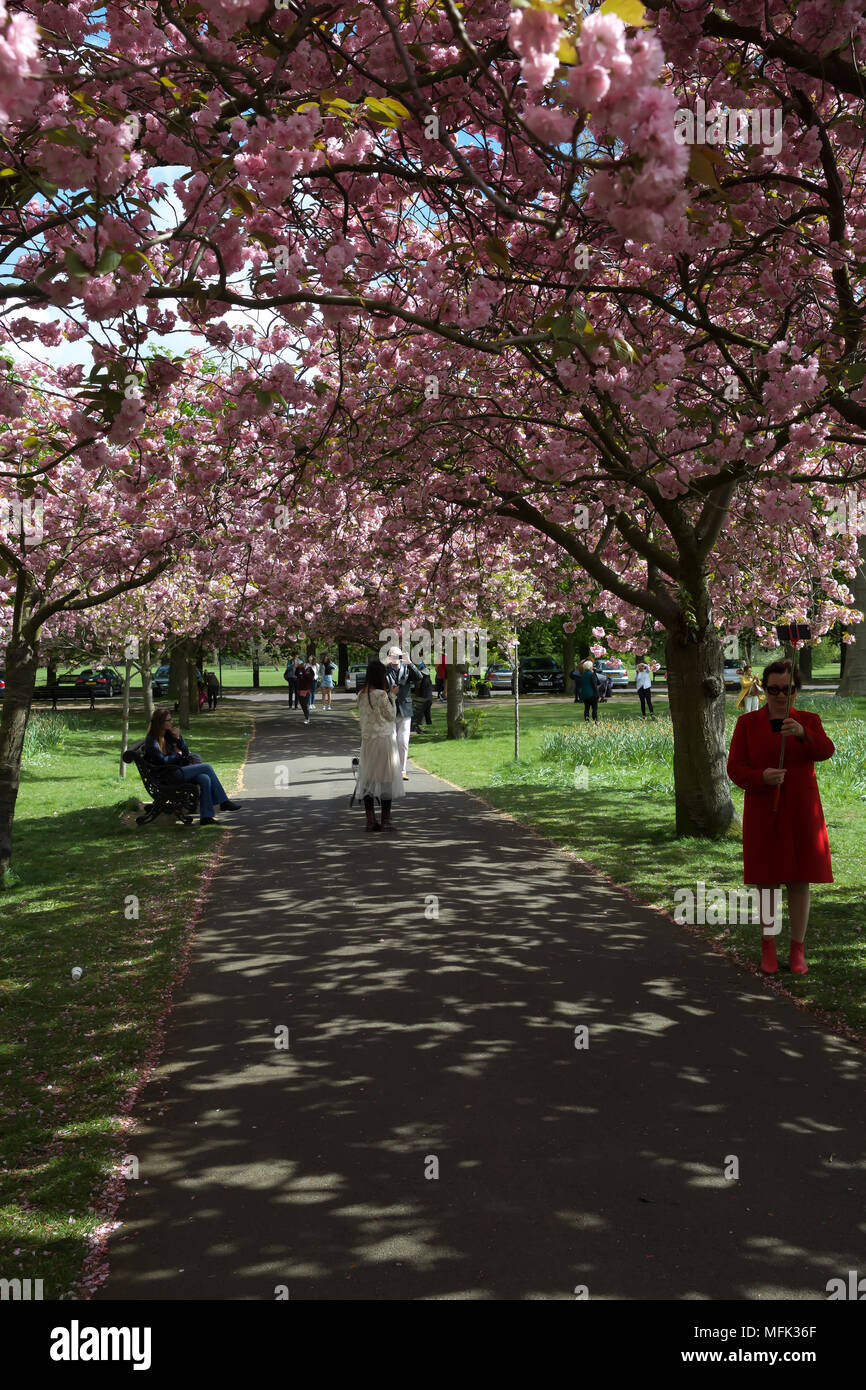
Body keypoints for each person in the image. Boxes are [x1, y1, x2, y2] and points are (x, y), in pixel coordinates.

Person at [726, 659, 834, 976]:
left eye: (785, 690)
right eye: (772, 689)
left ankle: (797, 950)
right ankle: (768, 947)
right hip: (764, 810)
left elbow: (825, 750)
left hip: (801, 810)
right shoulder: (748, 724)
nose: (778, 695)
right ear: (764, 688)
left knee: (800, 880)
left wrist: (803, 734)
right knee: (768, 881)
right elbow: (735, 768)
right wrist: (762, 777)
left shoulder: (808, 720)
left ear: (795, 691)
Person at [143, 708, 240, 825]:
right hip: (168, 775)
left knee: (205, 778)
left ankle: (206, 817)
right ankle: (223, 802)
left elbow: (185, 752)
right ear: (160, 723)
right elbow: (163, 761)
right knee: (207, 767)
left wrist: (179, 738)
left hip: (176, 770)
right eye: (169, 720)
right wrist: (177, 755)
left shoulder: (167, 735)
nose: (171, 722)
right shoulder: (152, 740)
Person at [356, 659, 405, 830]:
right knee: (386, 780)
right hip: (384, 740)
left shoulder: (361, 695)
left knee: (368, 779)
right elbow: (391, 716)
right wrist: (392, 696)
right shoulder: (382, 695)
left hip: (368, 740)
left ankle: (370, 821)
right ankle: (386, 821)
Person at [385, 645, 421, 780]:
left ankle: (402, 770)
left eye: (398, 656)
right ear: (389, 656)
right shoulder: (385, 670)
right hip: (389, 708)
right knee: (391, 740)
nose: (396, 658)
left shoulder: (407, 668)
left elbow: (419, 677)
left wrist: (409, 662)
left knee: (403, 741)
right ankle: (391, 768)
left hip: (405, 709)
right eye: (393, 655)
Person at [412, 660, 434, 731]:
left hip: (425, 699)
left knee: (421, 713)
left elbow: (421, 690)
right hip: (428, 699)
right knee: (427, 713)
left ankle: (418, 725)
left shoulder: (425, 681)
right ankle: (428, 724)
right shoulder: (427, 680)